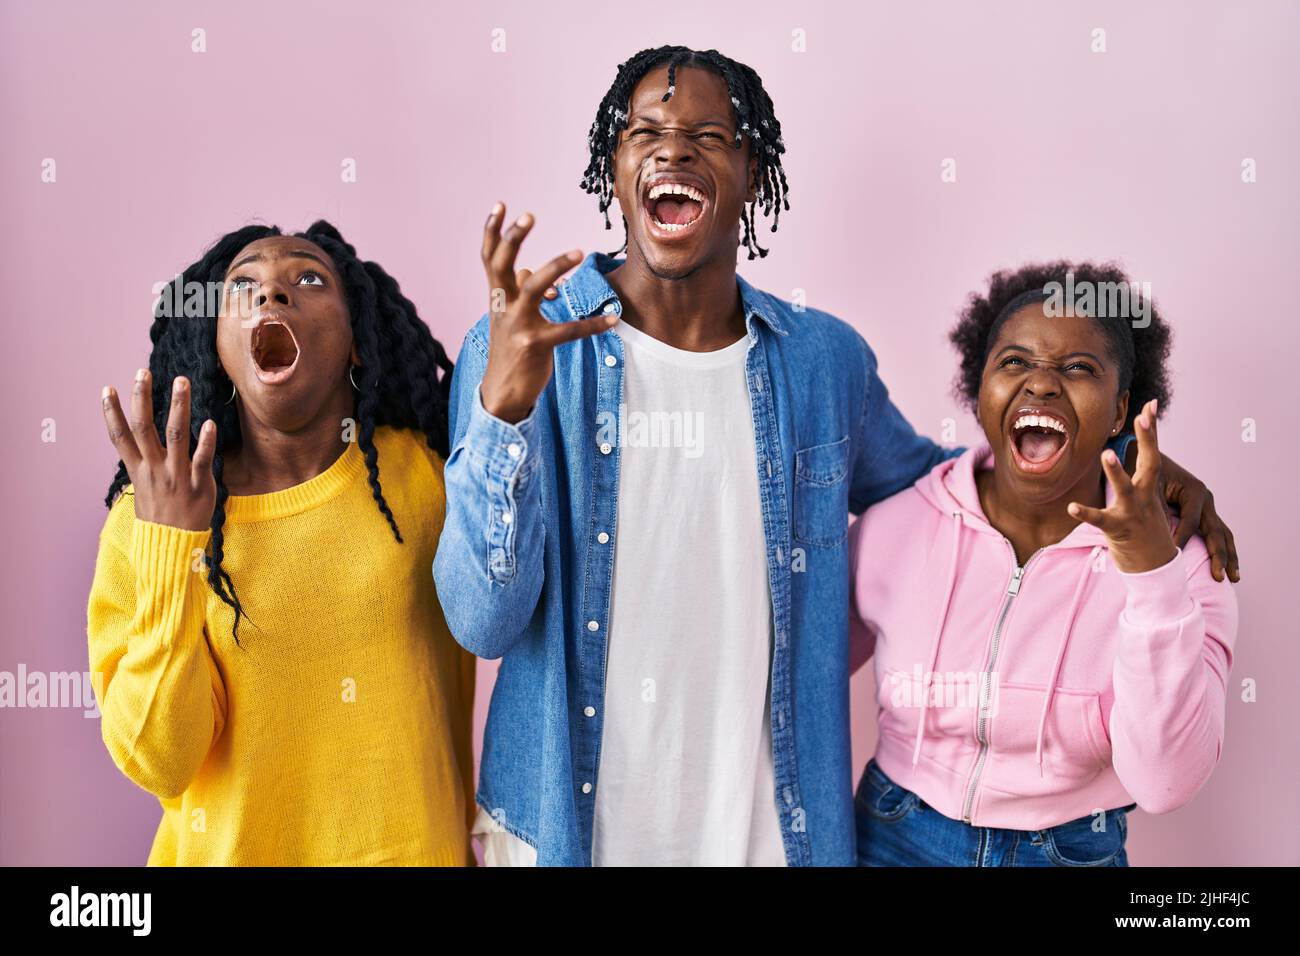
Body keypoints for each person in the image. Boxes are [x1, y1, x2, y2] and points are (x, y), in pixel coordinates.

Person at [434, 46, 1239, 866]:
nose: (673, 150)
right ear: (616, 168)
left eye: (709, 135)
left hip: (767, 836)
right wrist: (504, 412)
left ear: (753, 173)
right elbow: (481, 621)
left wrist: (1129, 461)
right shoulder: (523, 349)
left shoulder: (824, 362)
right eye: (646, 132)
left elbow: (949, 485)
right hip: (559, 831)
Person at [88, 221, 477, 865]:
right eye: (243, 285)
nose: (272, 293)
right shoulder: (146, 517)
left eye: (307, 277)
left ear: (356, 341)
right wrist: (169, 546)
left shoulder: (423, 478)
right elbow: (161, 760)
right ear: (215, 345)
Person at [848, 263, 1238, 866]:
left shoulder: (1186, 564)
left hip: (1066, 850)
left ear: (1120, 411)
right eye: (1014, 362)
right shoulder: (895, 525)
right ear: (979, 392)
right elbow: (788, 677)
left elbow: (1165, 784)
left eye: (1078, 369)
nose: (1042, 384)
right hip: (895, 831)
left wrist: (1150, 576)